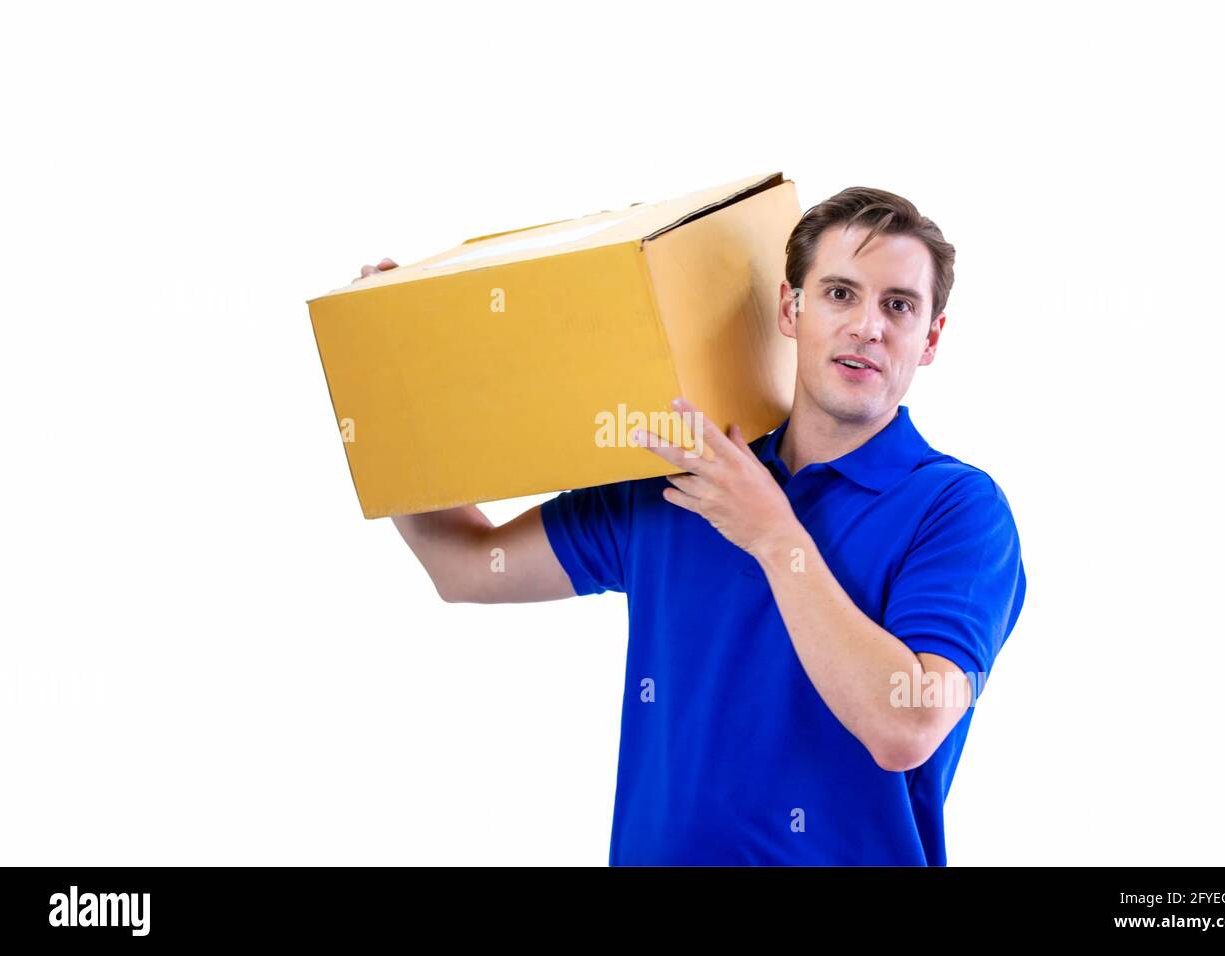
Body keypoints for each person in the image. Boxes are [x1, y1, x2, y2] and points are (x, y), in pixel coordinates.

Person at [361, 186, 1027, 865]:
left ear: (930, 337)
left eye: (899, 305)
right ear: (790, 309)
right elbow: (467, 565)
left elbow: (905, 725)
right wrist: (381, 388)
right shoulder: (686, 475)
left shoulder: (959, 511)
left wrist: (773, 532)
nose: (867, 326)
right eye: (838, 294)